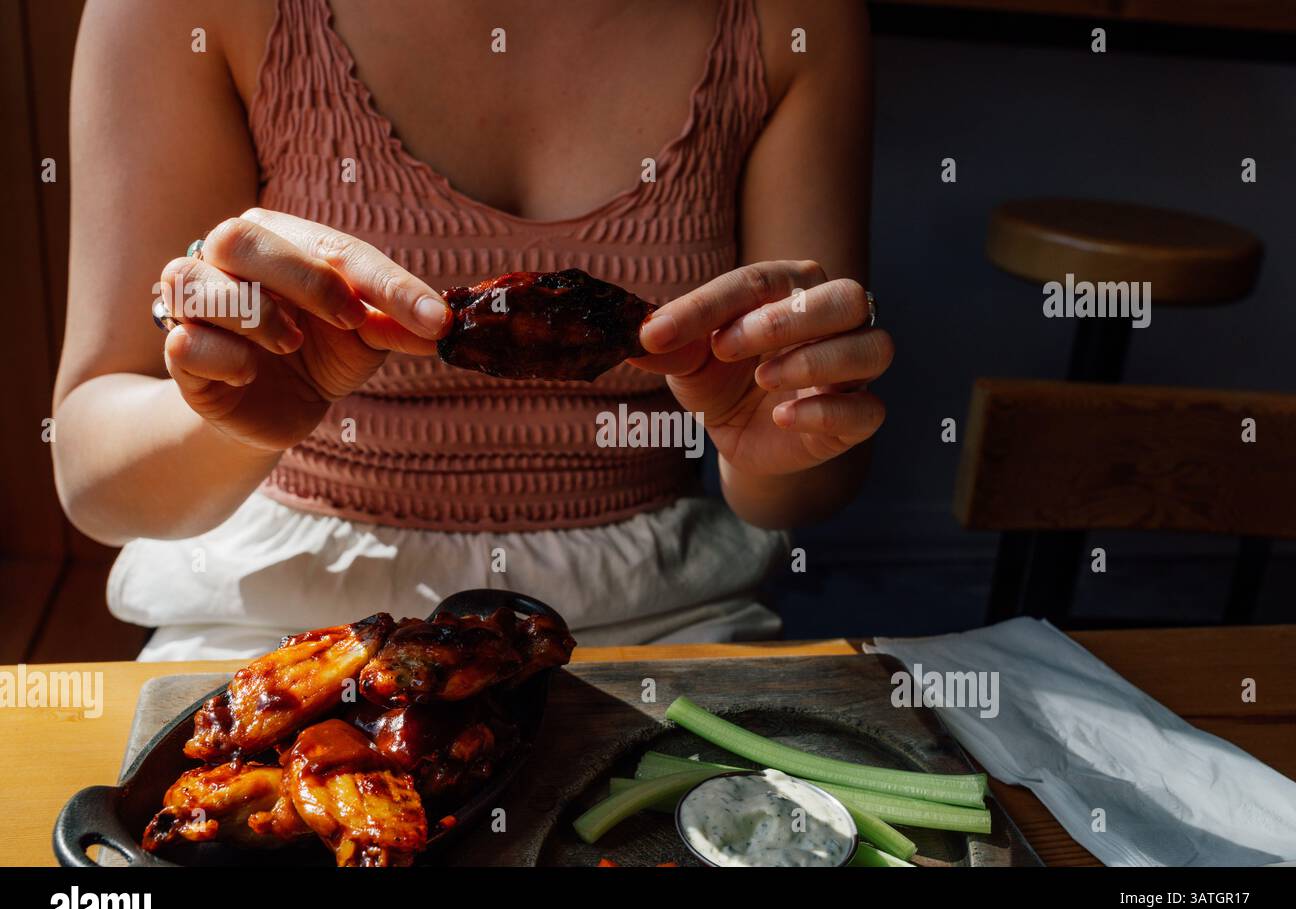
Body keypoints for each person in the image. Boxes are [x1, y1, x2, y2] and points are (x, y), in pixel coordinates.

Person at [52, 0, 892, 659]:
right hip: (282, 615)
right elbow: (91, 477)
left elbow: (813, 485)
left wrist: (779, 433)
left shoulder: (795, 17)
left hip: (660, 614)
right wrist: (230, 419)